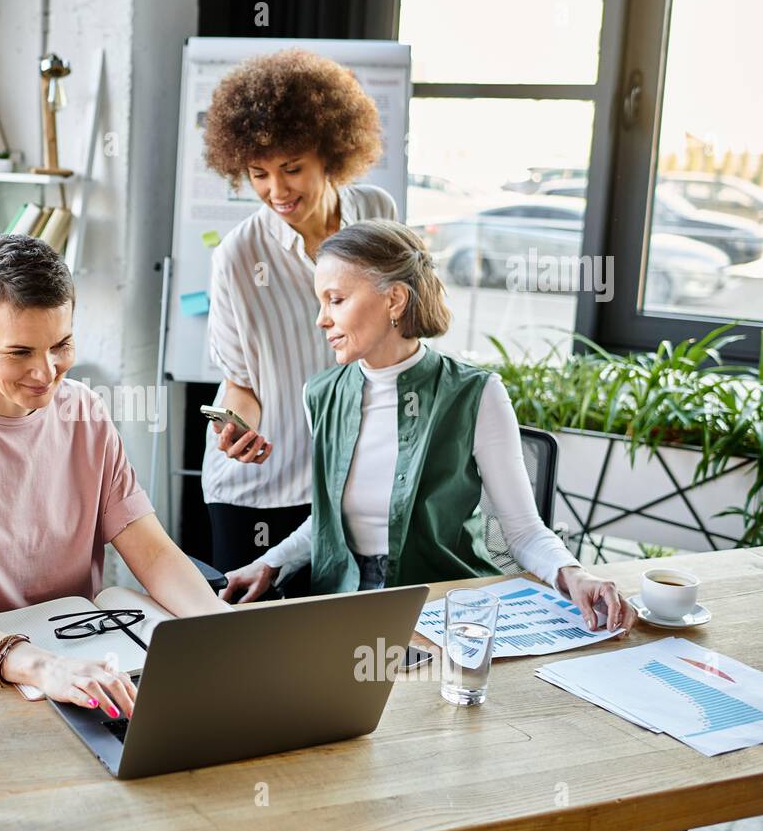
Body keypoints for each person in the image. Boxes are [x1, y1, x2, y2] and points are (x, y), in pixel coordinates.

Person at [0, 234, 228, 721]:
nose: (46, 371)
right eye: (19, 353)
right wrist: (41, 666)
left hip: (80, 665)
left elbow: (153, 550)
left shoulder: (85, 413)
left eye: (61, 345)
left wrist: (227, 631)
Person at [220, 219, 637, 636]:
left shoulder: (477, 393)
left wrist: (574, 574)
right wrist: (269, 562)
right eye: (320, 303)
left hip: (444, 606)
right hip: (341, 603)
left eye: (336, 300)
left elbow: (523, 531)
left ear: (395, 299)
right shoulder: (321, 394)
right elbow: (330, 521)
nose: (321, 320)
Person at [199, 48, 398, 593]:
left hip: (351, 479)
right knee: (251, 651)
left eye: (292, 169)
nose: (277, 191)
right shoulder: (239, 256)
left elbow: (399, 329)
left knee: (337, 647)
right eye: (258, 174)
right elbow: (240, 381)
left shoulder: (378, 213)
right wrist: (236, 424)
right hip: (260, 491)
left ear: (331, 156)